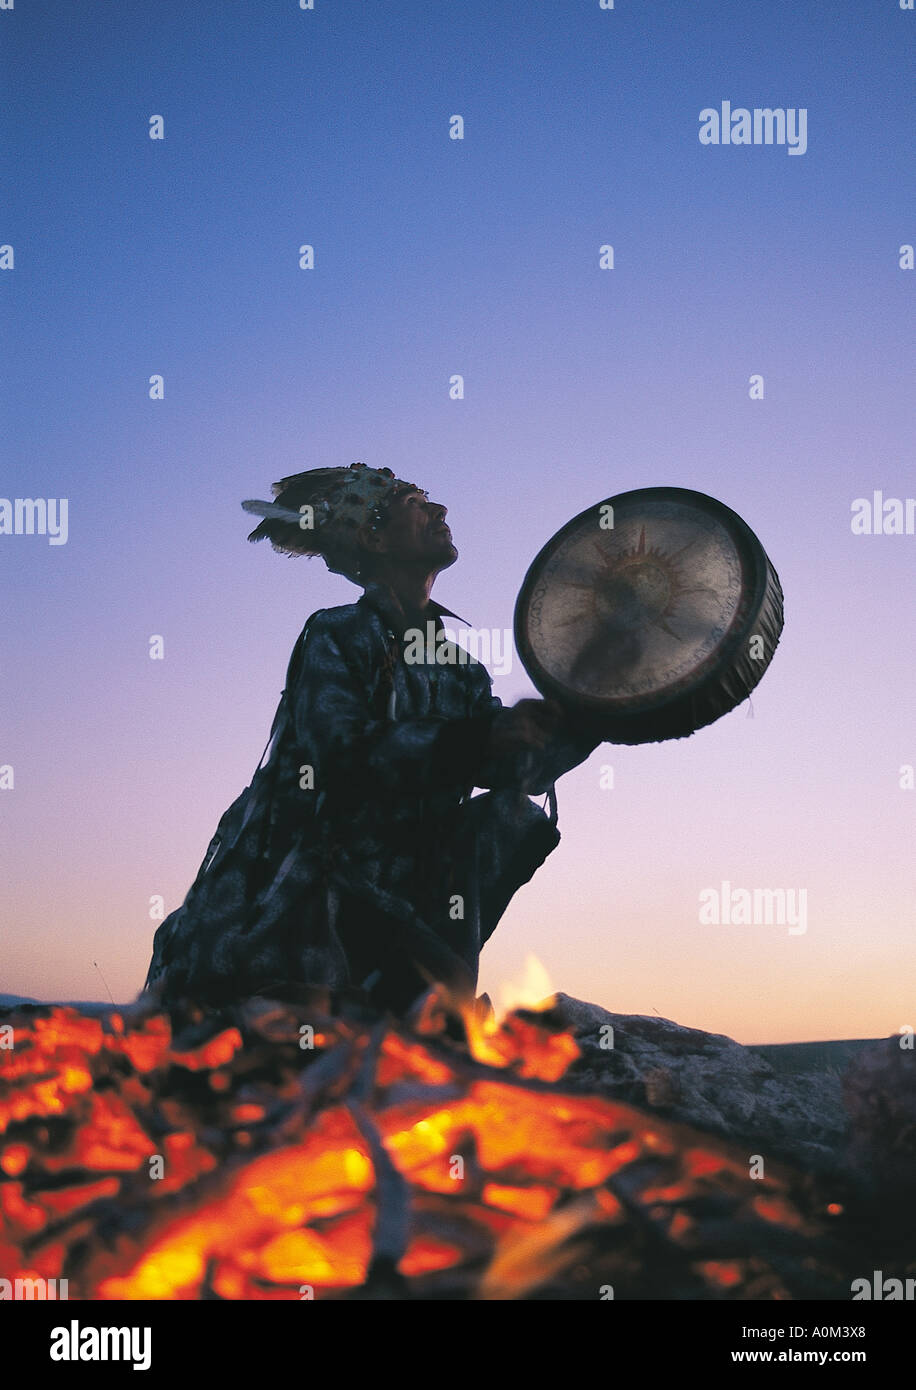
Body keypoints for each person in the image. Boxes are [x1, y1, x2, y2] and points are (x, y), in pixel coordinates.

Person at [143, 462, 600, 1014]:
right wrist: (478, 740)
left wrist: (597, 704)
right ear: (374, 537)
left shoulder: (460, 671)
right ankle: (341, 991)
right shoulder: (335, 633)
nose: (440, 511)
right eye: (416, 502)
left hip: (409, 885)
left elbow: (520, 770)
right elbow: (339, 754)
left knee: (511, 814)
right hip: (314, 883)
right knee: (292, 1017)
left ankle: (417, 986)